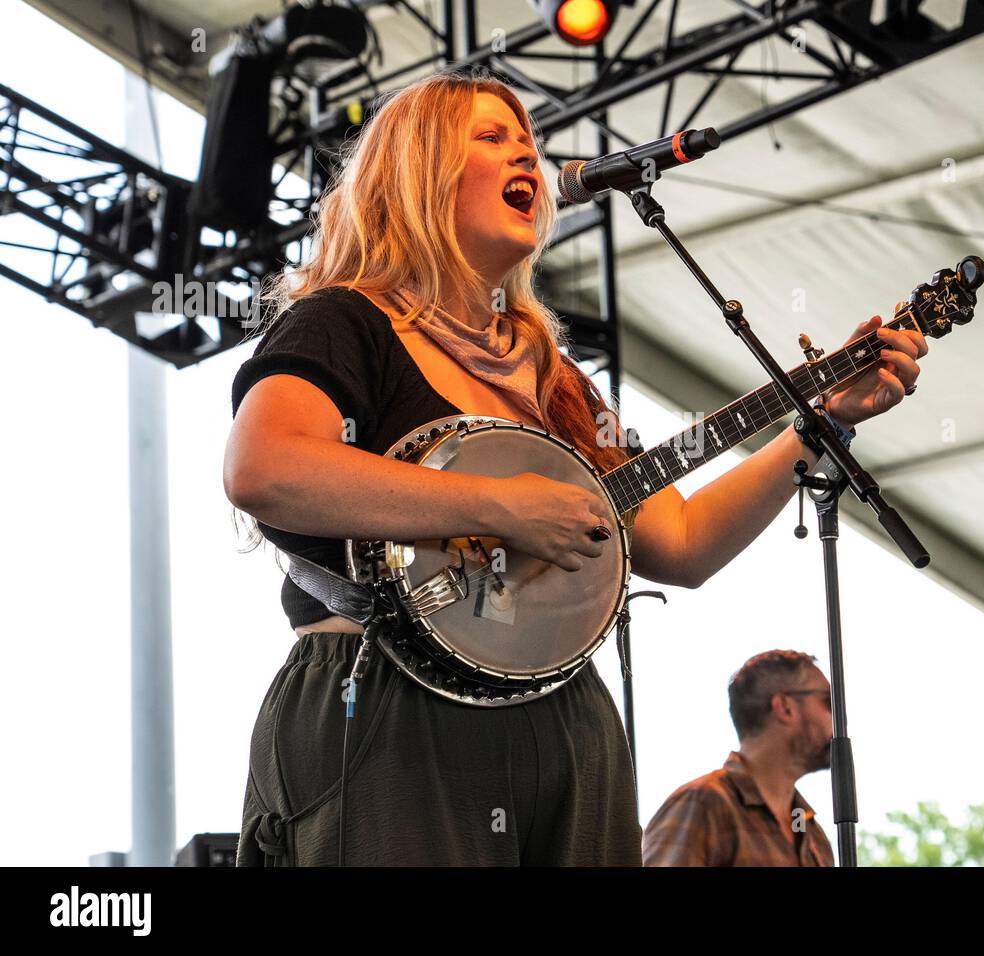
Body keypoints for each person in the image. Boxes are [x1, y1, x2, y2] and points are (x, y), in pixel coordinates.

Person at [223, 69, 926, 866]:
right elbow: (266, 468)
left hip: (562, 713)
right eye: (493, 139)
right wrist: (498, 507)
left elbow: (680, 540)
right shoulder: (345, 322)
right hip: (384, 700)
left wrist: (818, 425)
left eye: (529, 142)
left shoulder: (556, 380)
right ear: (416, 172)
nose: (526, 156)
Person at [642, 650, 836, 866]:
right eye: (828, 701)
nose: (838, 716)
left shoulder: (810, 830)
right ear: (785, 707)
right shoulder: (702, 805)